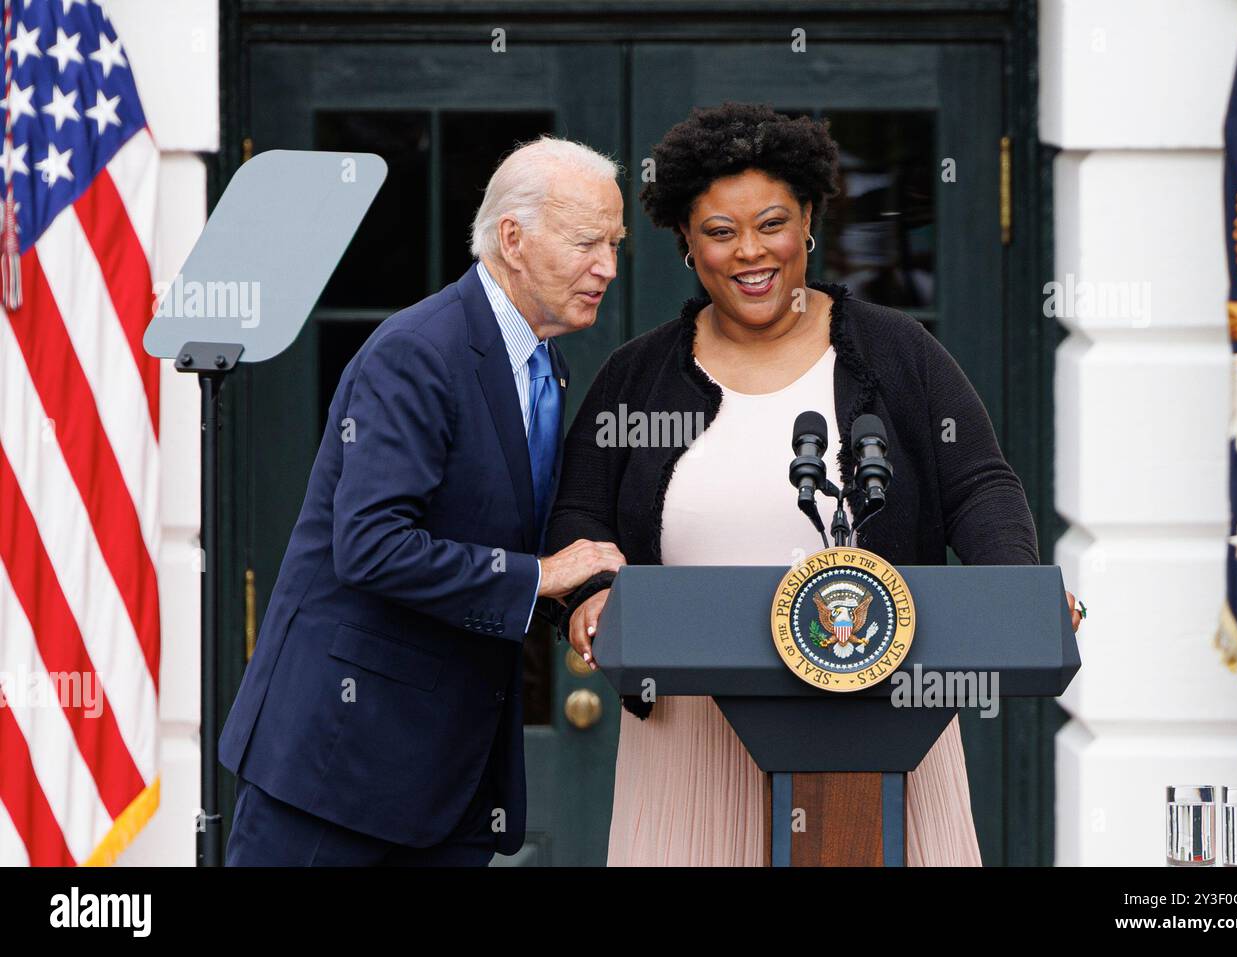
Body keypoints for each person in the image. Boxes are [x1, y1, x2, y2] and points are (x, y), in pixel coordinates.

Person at [547, 103, 1083, 867]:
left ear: (809, 223)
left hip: (883, 717)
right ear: (686, 244)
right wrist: (590, 594)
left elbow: (980, 487)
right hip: (691, 736)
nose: (749, 252)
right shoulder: (638, 376)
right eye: (719, 231)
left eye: (771, 223)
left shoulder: (897, 352)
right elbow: (581, 510)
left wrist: (1013, 593)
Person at [218, 136, 628, 866]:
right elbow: (373, 546)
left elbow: (487, 533)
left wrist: (575, 602)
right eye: (587, 242)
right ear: (513, 238)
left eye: (615, 243)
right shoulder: (418, 351)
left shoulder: (545, 367)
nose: (608, 267)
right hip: (337, 776)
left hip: (451, 784)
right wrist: (543, 575)